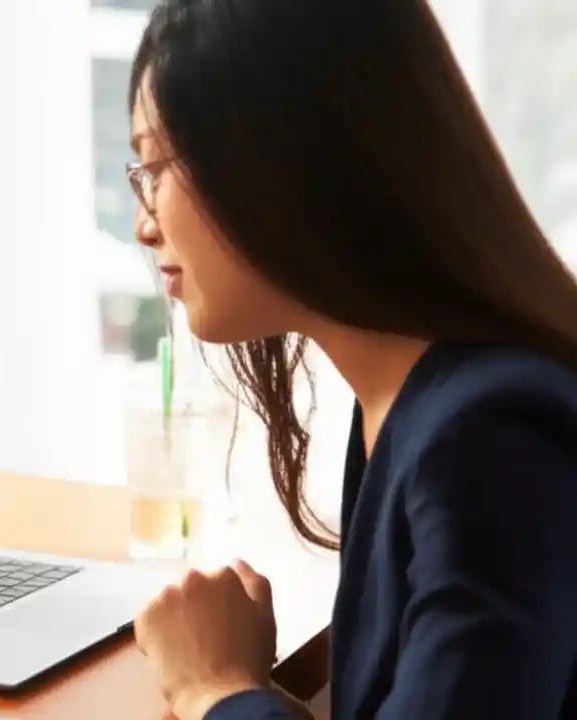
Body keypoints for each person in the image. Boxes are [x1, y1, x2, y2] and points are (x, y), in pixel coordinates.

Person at [123, 1, 577, 719]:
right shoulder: (414, 401)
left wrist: (217, 687)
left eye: (154, 167)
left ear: (274, 161)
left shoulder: (484, 440)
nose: (144, 224)